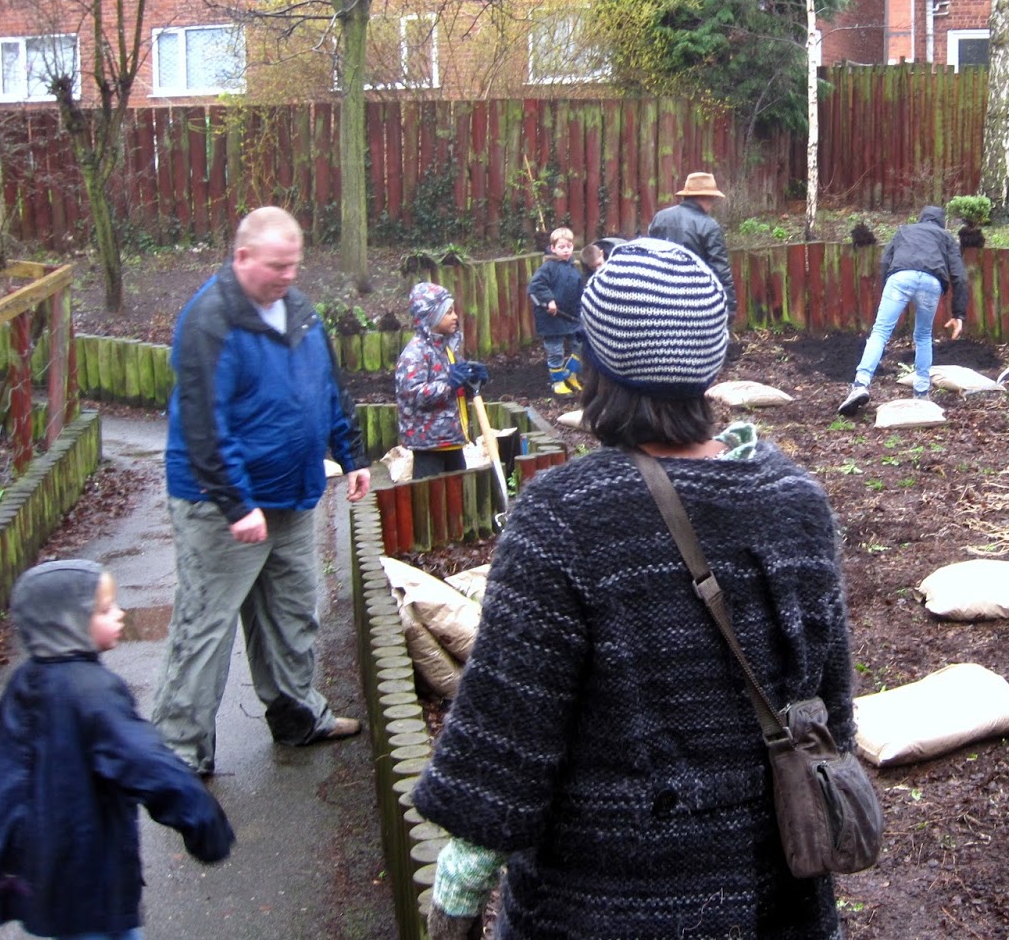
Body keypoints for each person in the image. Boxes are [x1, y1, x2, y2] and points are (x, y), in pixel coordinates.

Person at [414, 237, 859, 940]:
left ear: (598, 359)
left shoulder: (561, 516)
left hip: (599, 907)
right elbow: (832, 714)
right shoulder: (795, 501)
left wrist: (457, 899)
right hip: (773, 900)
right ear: (712, 363)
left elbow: (507, 743)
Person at [153, 206, 372, 779]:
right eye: (277, 266)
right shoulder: (209, 319)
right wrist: (234, 503)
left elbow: (327, 387)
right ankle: (180, 751)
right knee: (206, 626)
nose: (287, 276)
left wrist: (352, 455)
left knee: (294, 611)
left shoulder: (299, 310)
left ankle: (299, 717)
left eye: (294, 265)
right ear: (242, 257)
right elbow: (203, 422)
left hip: (292, 494)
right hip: (220, 505)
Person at [0, 561, 234, 939]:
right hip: (91, 878)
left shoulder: (22, 682)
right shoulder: (95, 693)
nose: (120, 613)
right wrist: (202, 820)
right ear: (67, 623)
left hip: (38, 877)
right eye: (105, 609)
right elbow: (147, 761)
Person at [838, 204, 969, 414]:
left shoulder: (904, 231)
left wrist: (887, 286)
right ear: (941, 222)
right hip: (931, 281)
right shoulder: (945, 237)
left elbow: (885, 261)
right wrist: (958, 314)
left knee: (880, 332)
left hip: (900, 277)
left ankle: (860, 385)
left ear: (920, 219)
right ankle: (922, 393)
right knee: (924, 336)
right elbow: (960, 276)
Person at [395, 281, 489, 479]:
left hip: (451, 437)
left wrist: (471, 381)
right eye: (448, 312)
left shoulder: (447, 347)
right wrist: (449, 384)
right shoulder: (416, 353)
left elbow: (456, 387)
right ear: (432, 316)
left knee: (459, 493)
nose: (455, 316)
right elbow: (413, 394)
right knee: (431, 498)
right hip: (429, 444)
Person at [648, 171, 736, 319]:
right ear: (707, 197)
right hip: (694, 302)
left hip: (660, 298)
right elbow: (720, 269)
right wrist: (730, 306)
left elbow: (648, 257)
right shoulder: (709, 225)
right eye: (713, 199)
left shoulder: (660, 217)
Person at [527, 226, 586, 395]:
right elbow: (535, 286)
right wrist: (549, 300)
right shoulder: (549, 267)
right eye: (561, 247)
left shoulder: (573, 267)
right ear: (553, 248)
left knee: (581, 344)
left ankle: (570, 374)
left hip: (571, 316)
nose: (566, 250)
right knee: (556, 350)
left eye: (568, 246)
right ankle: (558, 382)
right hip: (551, 317)